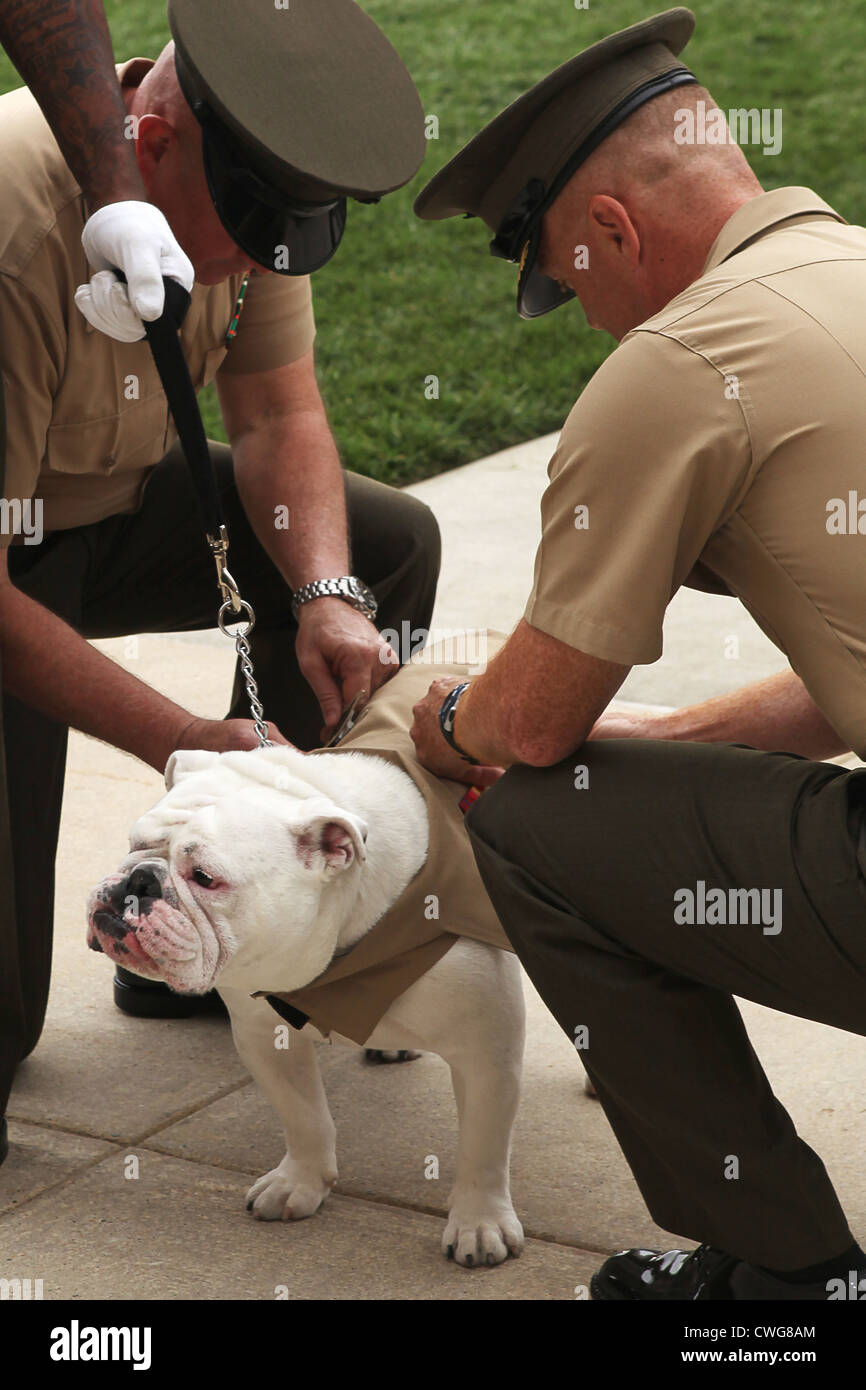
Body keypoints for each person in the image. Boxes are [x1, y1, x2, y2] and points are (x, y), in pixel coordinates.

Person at [410, 6, 866, 1300]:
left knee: (538, 820)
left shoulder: (681, 357)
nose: (585, 319)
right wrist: (675, 743)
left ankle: (781, 1271)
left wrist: (442, 726)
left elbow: (533, 729)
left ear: (608, 229)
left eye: (568, 281)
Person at [0, 0, 440, 1168]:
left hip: (105, 504)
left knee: (385, 543)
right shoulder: (10, 223)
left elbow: (278, 409)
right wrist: (186, 738)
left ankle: (245, 940)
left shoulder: (233, 202)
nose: (246, 264)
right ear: (147, 146)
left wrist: (328, 593)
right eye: (240, 237)